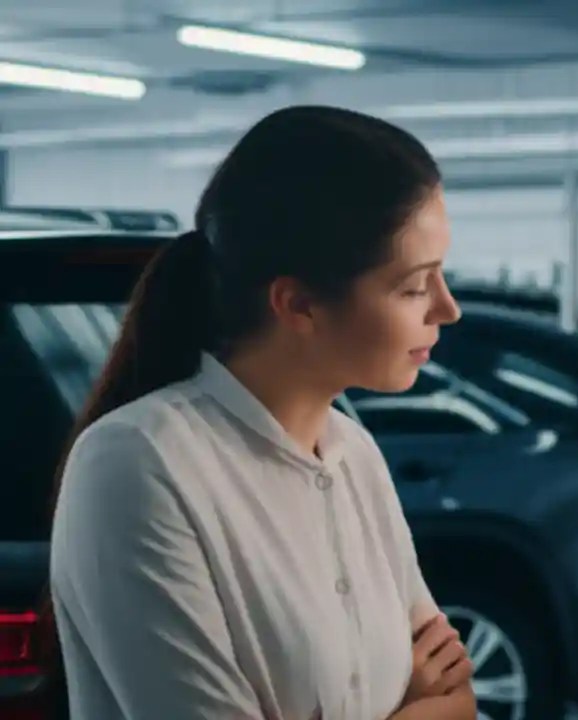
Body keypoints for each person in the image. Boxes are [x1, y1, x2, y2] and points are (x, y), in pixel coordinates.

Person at [46, 106, 475, 720]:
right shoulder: (138, 462)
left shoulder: (354, 454)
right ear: (298, 304)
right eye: (413, 285)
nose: (447, 308)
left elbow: (457, 698)